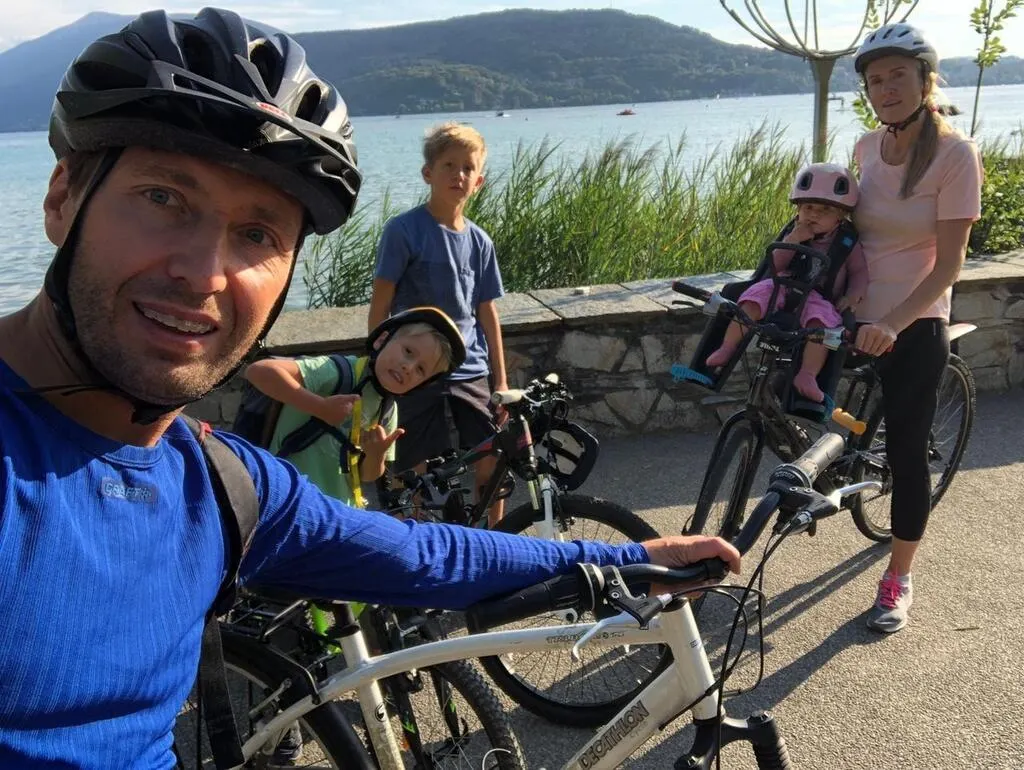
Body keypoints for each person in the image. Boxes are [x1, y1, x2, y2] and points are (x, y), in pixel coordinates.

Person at [0, 9, 739, 768]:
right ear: (63, 199)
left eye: (258, 234)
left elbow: (420, 556)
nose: (205, 274)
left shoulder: (220, 484)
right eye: (163, 198)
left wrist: (626, 559)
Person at [851, 22, 983, 633]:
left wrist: (893, 322)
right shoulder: (863, 148)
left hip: (915, 317)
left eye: (897, 75)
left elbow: (950, 264)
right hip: (856, 313)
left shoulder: (955, 155)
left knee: (905, 449)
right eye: (876, 80)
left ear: (924, 78)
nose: (885, 88)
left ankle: (899, 576)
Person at [368, 122, 509, 526]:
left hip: (471, 369)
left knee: (491, 457)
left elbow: (487, 314)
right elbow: (381, 304)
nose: (458, 174)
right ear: (428, 173)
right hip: (416, 369)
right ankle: (421, 541)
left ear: (478, 180)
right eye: (449, 165)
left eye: (468, 167)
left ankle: (497, 537)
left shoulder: (480, 242)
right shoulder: (403, 231)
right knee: (415, 465)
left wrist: (500, 381)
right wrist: (375, 362)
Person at [243, 306, 466, 507]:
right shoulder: (339, 372)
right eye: (408, 351)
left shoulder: (387, 409)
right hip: (287, 499)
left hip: (337, 510)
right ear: (381, 341)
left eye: (420, 370)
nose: (408, 367)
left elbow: (368, 476)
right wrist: (320, 407)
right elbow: (258, 371)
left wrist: (376, 455)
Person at [705, 162, 867, 402]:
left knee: (822, 326)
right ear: (798, 209)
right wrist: (795, 239)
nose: (814, 214)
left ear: (840, 216)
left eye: (825, 210)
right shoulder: (793, 231)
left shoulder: (846, 242)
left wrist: (852, 296)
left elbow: (860, 273)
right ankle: (727, 347)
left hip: (817, 297)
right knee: (751, 300)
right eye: (808, 207)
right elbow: (774, 266)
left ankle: (807, 374)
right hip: (782, 286)